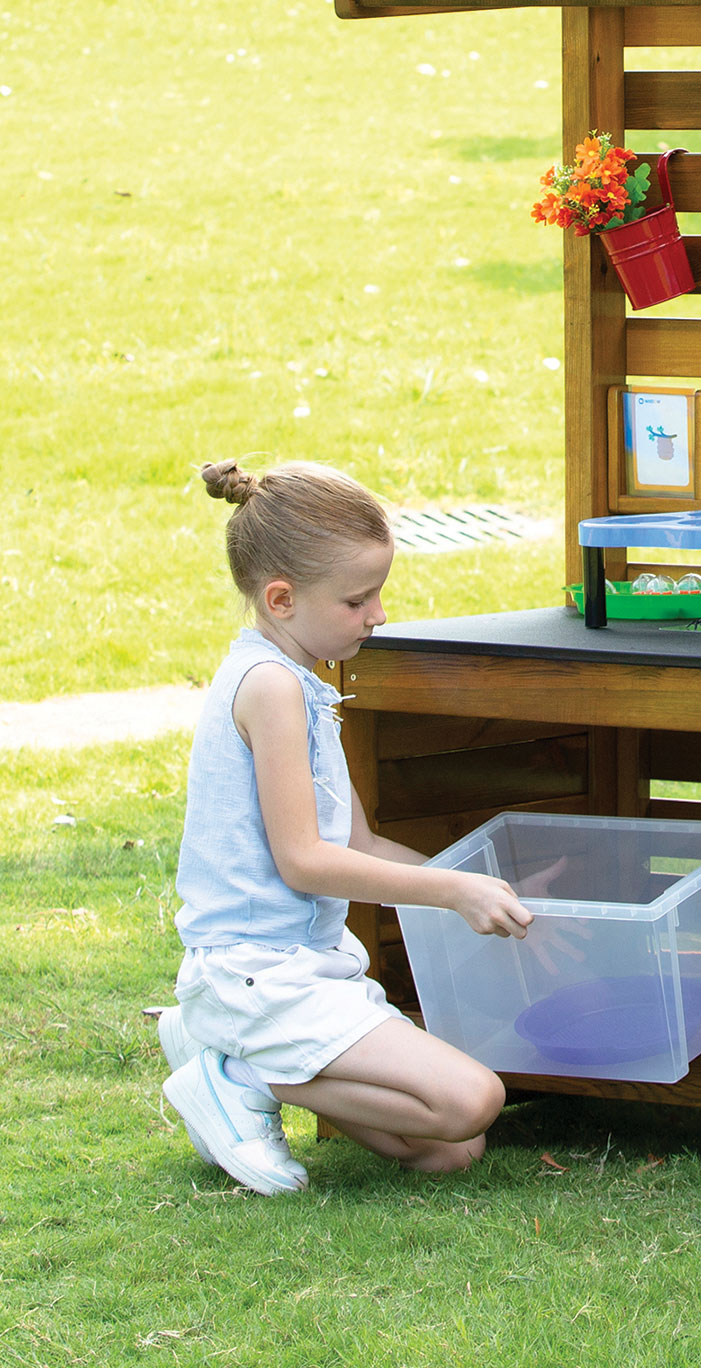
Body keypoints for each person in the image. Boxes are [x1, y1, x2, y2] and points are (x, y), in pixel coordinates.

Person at [158, 459, 532, 1195]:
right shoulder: (269, 687)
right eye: (358, 599)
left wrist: (480, 884)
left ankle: (235, 1054)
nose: (379, 615)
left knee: (453, 1149)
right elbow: (304, 862)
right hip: (259, 971)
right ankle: (242, 1072)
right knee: (472, 1100)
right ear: (282, 599)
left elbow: (358, 845)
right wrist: (451, 895)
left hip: (309, 963)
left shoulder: (303, 682)